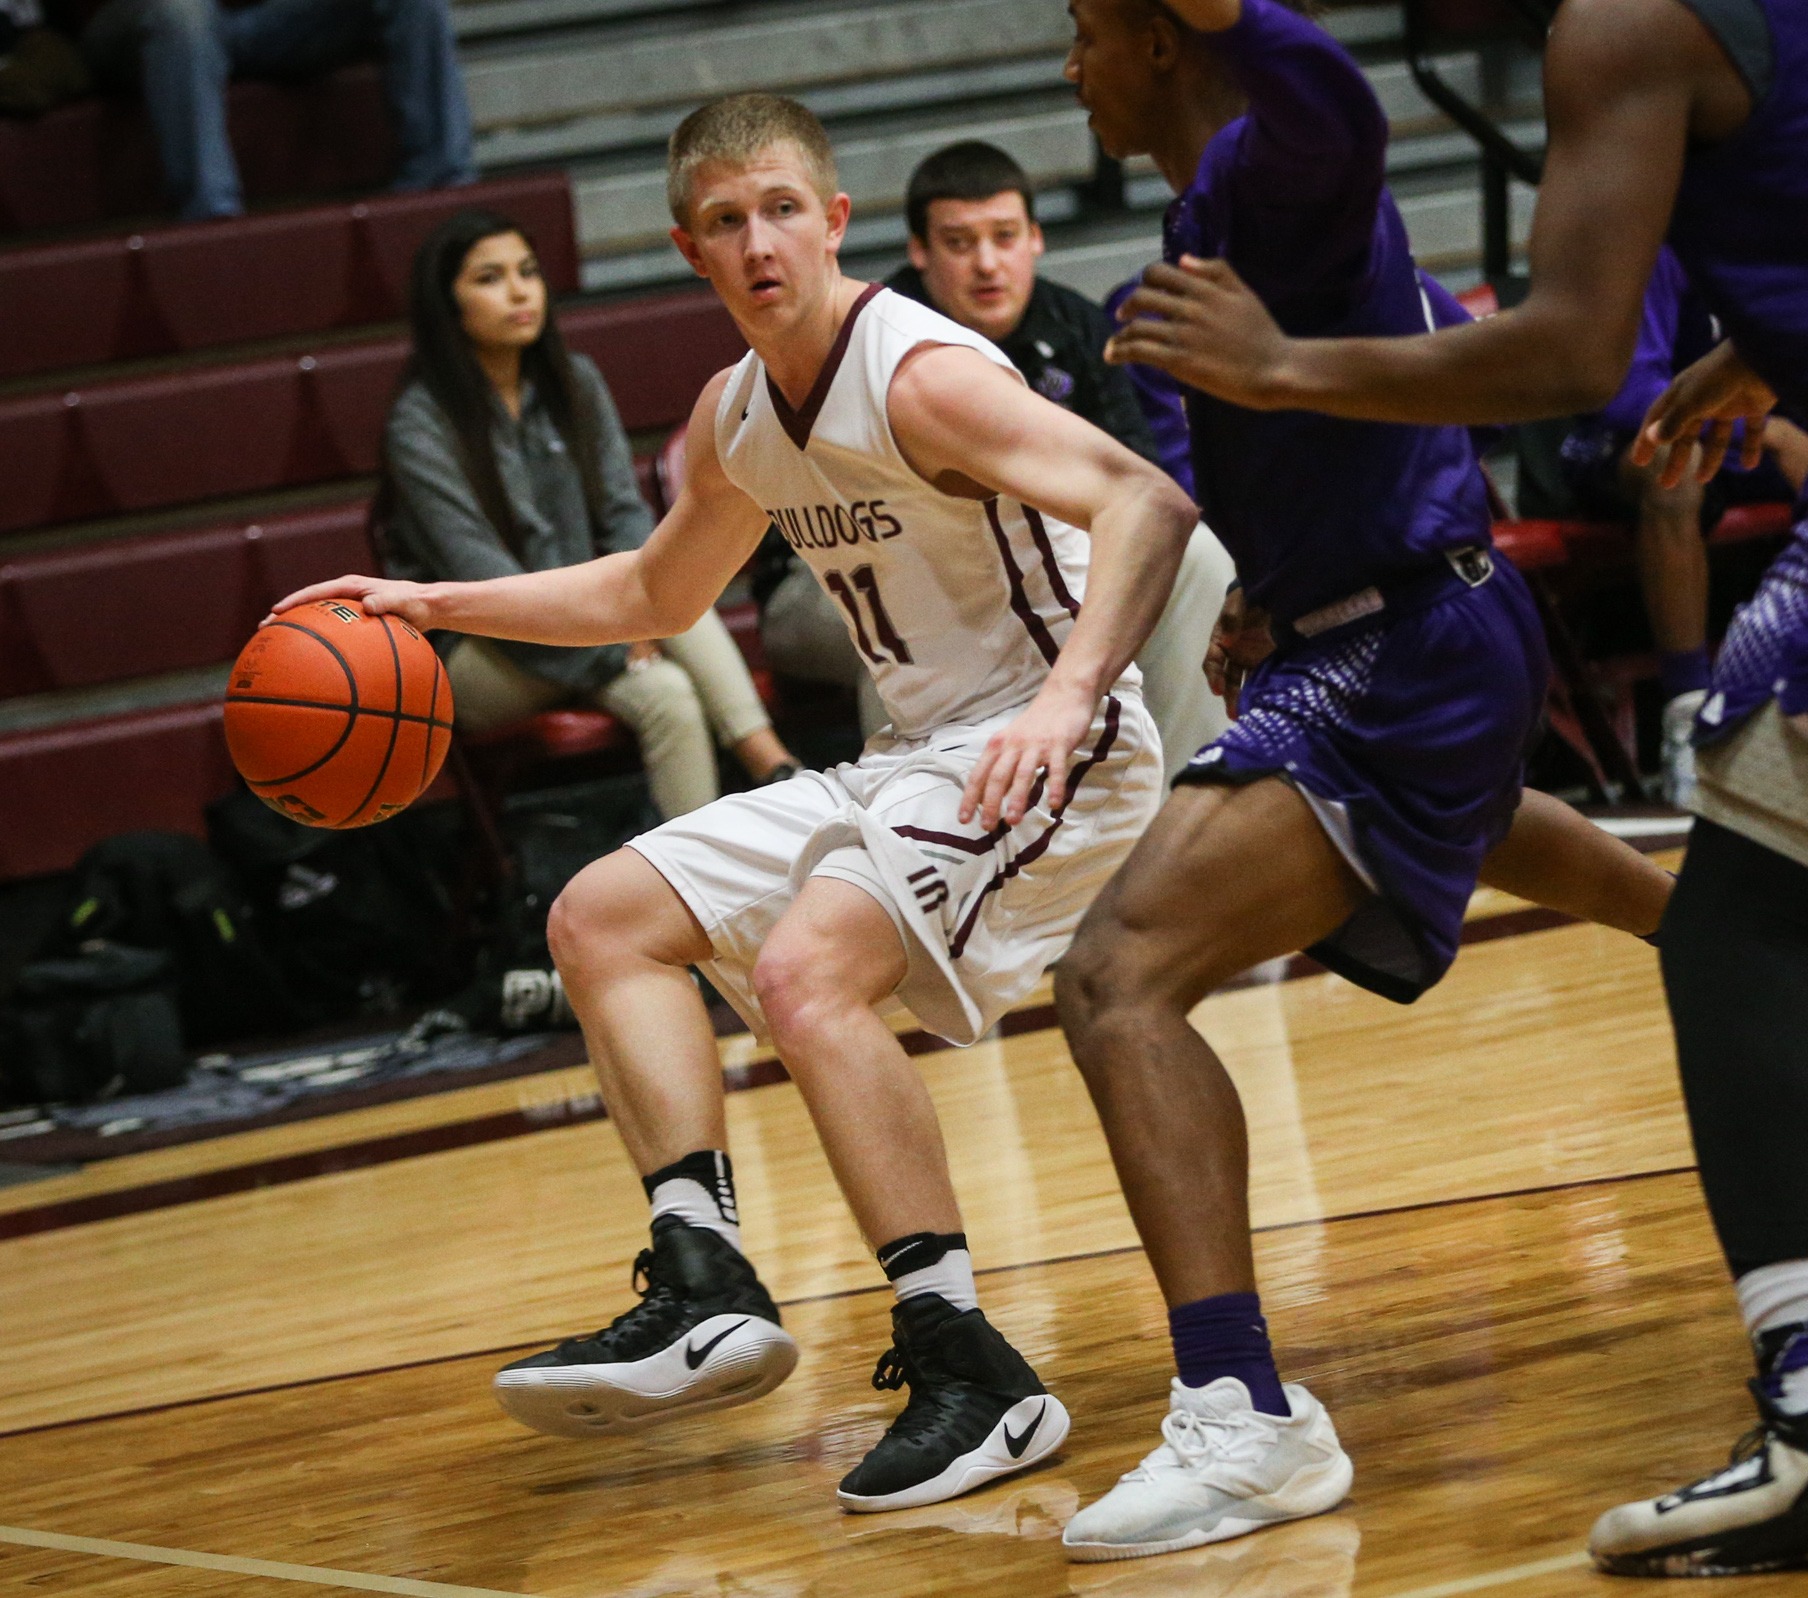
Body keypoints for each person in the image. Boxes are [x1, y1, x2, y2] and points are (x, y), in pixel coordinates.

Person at [1106, 0, 1808, 1574]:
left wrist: (1287, 363)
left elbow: (1577, 352)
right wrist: (1768, 340)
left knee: (1734, 930)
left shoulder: (1625, 20)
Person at [271, 92, 1196, 1512]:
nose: (757, 242)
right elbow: (653, 592)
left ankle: (969, 1363)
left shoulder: (920, 377)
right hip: (916, 752)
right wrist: (427, 600)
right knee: (602, 917)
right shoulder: (740, 410)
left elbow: (1144, 500)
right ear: (689, 249)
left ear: (832, 223)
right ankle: (702, 1275)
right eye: (724, 221)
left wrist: (1070, 695)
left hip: (1053, 739)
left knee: (804, 969)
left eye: (780, 210)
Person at [759, 136, 1234, 773]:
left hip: (1016, 561)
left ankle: (1180, 808)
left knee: (1191, 552)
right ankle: (910, 830)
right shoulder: (867, 336)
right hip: (837, 570)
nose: (987, 264)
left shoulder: (1079, 327)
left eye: (1004, 236)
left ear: (1035, 239)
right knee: (920, 595)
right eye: (959, 243)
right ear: (919, 252)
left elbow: (1139, 479)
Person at [378, 207, 800, 821]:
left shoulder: (574, 382)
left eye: (527, 271)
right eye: (489, 278)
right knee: (669, 611)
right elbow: (476, 574)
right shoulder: (419, 422)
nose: (520, 290)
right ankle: (773, 773)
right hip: (482, 650)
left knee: (671, 686)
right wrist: (620, 629)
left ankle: (726, 853)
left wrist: (638, 609)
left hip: (594, 620)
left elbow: (624, 514)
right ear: (448, 304)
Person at [1558, 247, 1808, 802]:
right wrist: (1772, 432)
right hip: (1636, 441)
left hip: (1753, 442)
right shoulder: (1656, 239)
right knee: (1675, 473)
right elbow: (1630, 399)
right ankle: (1687, 714)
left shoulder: (1802, 222)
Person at [80, 0, 475, 221]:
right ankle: (212, 217)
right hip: (148, 16)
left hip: (272, 17)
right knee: (181, 15)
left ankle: (439, 186)